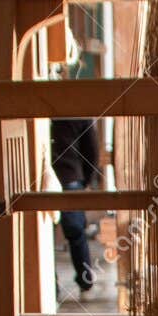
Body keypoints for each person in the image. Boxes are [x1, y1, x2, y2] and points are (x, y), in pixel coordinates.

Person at [50, 117, 99, 292]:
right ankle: (85, 278)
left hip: (48, 176)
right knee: (76, 231)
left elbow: (90, 149)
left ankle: (52, 284)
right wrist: (86, 179)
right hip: (70, 176)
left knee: (46, 234)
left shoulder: (37, 109)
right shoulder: (76, 109)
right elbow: (91, 150)